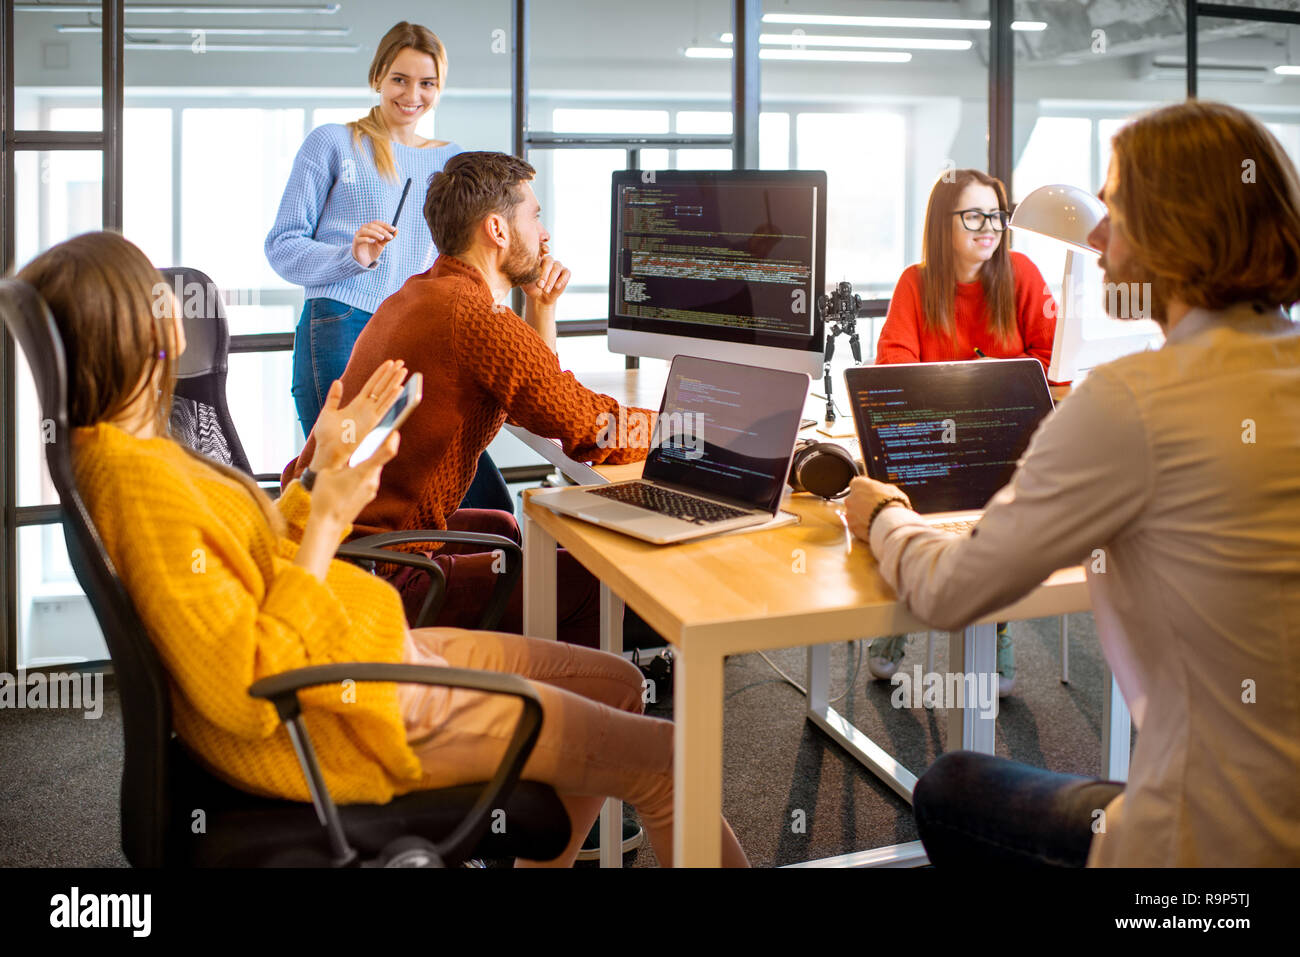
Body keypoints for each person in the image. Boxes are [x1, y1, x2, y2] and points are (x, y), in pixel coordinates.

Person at [19, 230, 748, 868]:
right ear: (149, 333)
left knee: (620, 683)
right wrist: (331, 525)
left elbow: (260, 558)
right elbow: (246, 689)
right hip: (353, 711)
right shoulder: (142, 486)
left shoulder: (131, 454)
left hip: (370, 648)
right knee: (668, 760)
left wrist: (319, 478)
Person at [845, 100, 1300, 866]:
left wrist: (883, 511)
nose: (1097, 229)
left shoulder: (1133, 400)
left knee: (949, 785)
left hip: (1205, 848)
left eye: (1114, 201)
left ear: (1165, 231)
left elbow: (953, 592)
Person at [282, 151, 658, 649]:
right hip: (382, 582)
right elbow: (591, 428)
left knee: (502, 525)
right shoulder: (474, 320)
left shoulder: (419, 294)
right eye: (536, 217)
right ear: (498, 230)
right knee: (604, 581)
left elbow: (541, 390)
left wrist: (540, 310)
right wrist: (685, 431)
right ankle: (569, 696)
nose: (545, 234)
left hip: (332, 549)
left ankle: (520, 656)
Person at [265, 21, 509, 513]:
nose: (412, 94)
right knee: (343, 480)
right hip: (341, 323)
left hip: (420, 331)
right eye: (399, 79)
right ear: (378, 77)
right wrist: (348, 256)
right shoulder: (332, 143)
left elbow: (465, 254)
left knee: (448, 476)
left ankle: (437, 584)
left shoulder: (453, 161)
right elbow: (282, 247)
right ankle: (328, 585)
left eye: (427, 83)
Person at [867, 169, 1061, 695]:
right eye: (974, 215)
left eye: (997, 214)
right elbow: (894, 365)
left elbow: (1053, 363)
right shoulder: (917, 281)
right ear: (942, 223)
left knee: (1000, 511)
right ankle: (905, 611)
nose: (990, 227)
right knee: (897, 493)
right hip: (933, 438)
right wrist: (987, 380)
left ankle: (993, 625)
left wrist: (983, 388)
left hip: (1005, 441)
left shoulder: (1021, 274)